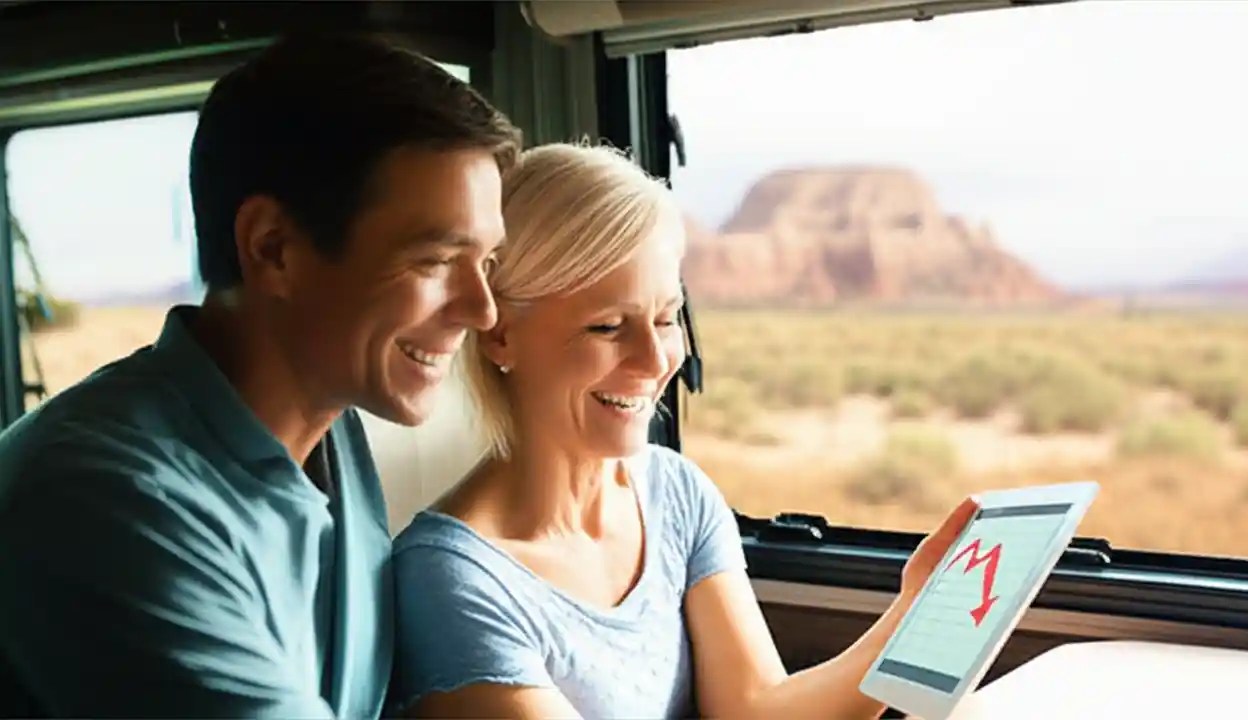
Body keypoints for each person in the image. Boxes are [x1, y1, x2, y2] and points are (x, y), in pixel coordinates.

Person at [0, 34, 520, 718]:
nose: (481, 312)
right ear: (272, 248)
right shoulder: (103, 499)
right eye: (434, 260)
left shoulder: (336, 437)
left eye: (484, 263)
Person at [390, 142, 977, 719]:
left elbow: (757, 711)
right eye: (608, 327)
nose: (655, 360)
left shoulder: (675, 493)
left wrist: (915, 619)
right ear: (500, 336)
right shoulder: (451, 582)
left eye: (667, 318)